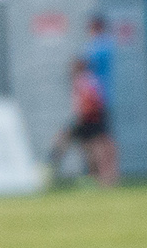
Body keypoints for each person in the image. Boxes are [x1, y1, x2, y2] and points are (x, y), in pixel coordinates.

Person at [50, 57, 118, 186]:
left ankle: (49, 171)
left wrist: (80, 119)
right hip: (95, 117)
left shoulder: (82, 81)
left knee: (90, 147)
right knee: (93, 148)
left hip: (88, 118)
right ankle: (101, 179)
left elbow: (88, 103)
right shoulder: (92, 79)